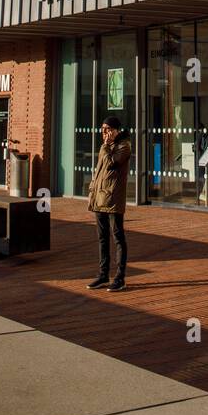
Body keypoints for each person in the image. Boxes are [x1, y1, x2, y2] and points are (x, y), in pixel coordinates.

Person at [86, 116, 131, 292]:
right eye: (103, 129)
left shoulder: (123, 146)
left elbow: (112, 164)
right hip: (99, 197)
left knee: (118, 237)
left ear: (117, 130)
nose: (105, 133)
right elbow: (98, 171)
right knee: (102, 238)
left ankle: (120, 277)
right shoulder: (105, 147)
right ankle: (103, 274)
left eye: (108, 129)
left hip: (112, 199)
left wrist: (106, 146)